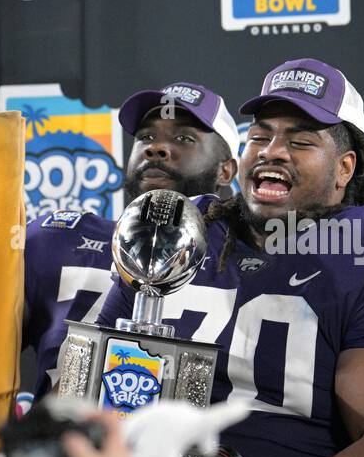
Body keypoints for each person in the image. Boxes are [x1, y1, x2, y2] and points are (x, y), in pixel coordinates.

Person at [96, 59, 364, 457]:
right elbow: (89, 388)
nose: (272, 152)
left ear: (344, 169)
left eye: (301, 141)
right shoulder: (181, 228)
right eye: (260, 137)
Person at [23, 82, 239, 396]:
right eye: (146, 137)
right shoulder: (56, 238)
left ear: (226, 171)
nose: (156, 148)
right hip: (62, 436)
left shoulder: (240, 261)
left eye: (184, 138)